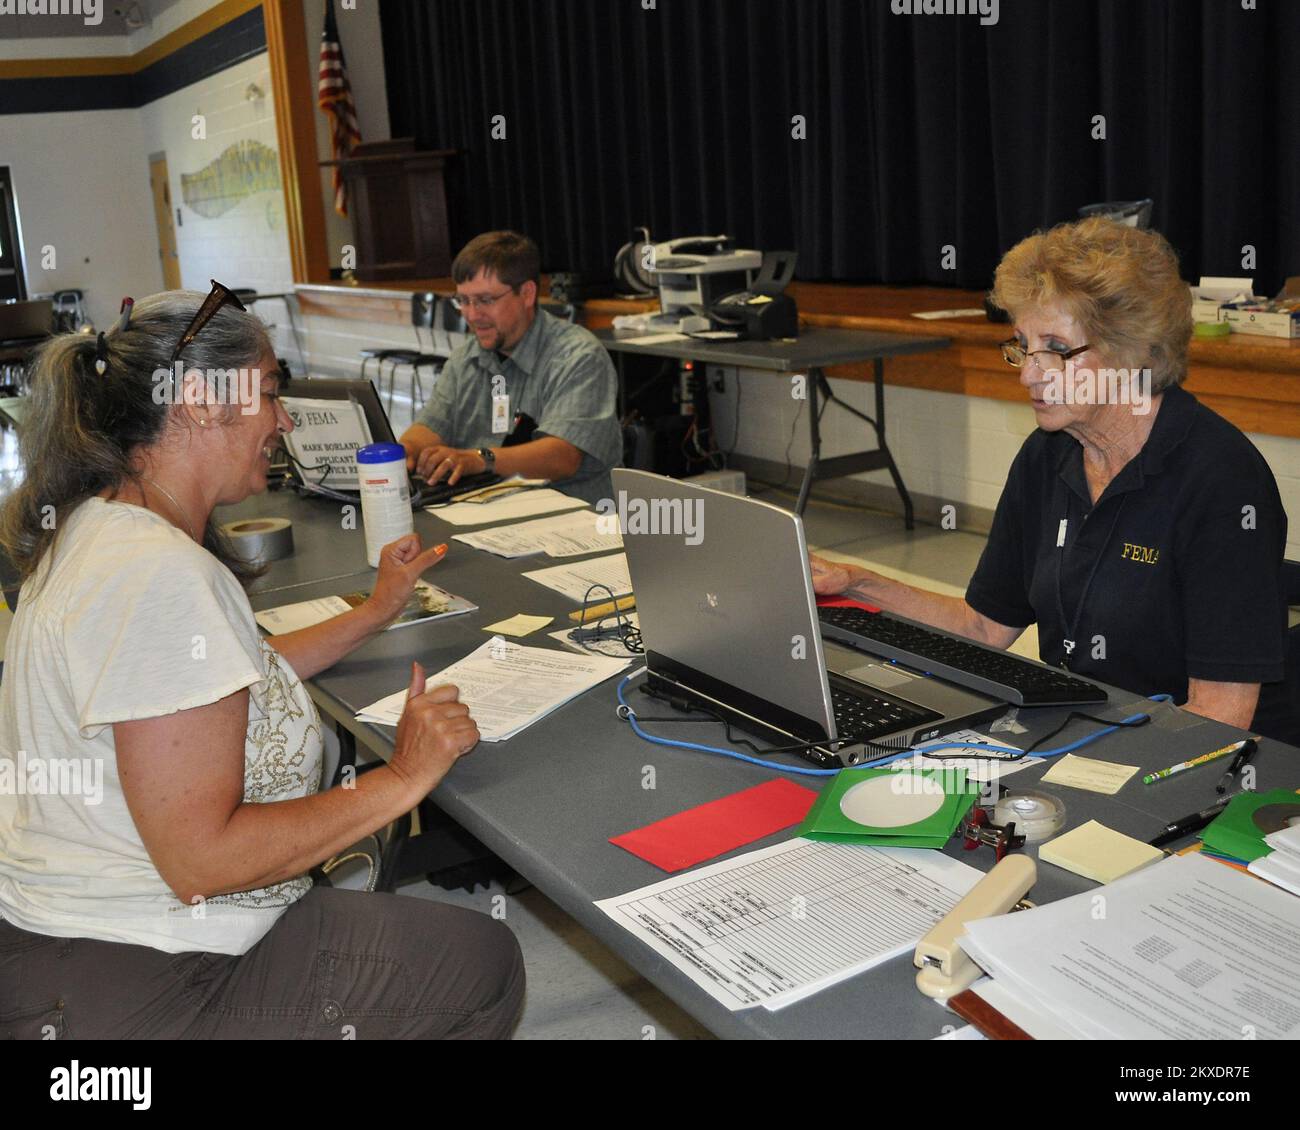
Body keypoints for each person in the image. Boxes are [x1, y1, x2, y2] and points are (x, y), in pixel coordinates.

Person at [0, 287, 524, 1039]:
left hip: (67, 951)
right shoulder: (161, 575)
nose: (283, 421)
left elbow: (209, 679)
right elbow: (202, 861)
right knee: (481, 965)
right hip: (139, 981)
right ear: (202, 403)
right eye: (272, 394)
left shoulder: (101, 523)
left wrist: (372, 613)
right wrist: (400, 780)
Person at [812, 218, 1292, 738]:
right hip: (1075, 730)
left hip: (1182, 760)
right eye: (1022, 345)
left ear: (1131, 351)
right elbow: (983, 627)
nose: (1027, 373)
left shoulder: (1222, 482)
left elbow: (1218, 722)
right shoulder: (1048, 456)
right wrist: (856, 581)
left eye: (1056, 349)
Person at [399, 230, 622, 505]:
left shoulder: (578, 356)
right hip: (489, 513)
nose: (471, 315)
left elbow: (563, 456)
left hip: (571, 519)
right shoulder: (466, 358)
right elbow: (432, 425)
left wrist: (480, 459)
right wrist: (405, 450)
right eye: (463, 301)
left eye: (484, 300)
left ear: (527, 294)